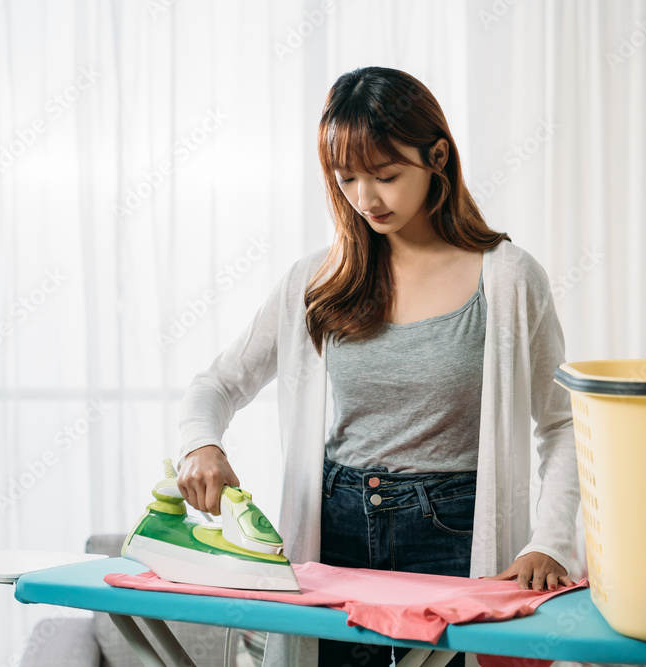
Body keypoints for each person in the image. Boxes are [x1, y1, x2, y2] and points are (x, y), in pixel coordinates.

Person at [174, 66, 580, 667]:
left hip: (454, 533)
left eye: (386, 175)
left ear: (436, 156)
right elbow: (220, 383)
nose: (366, 199)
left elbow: (563, 423)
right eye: (348, 180)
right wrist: (199, 444)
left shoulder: (509, 278)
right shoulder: (317, 281)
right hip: (333, 528)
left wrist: (550, 543)